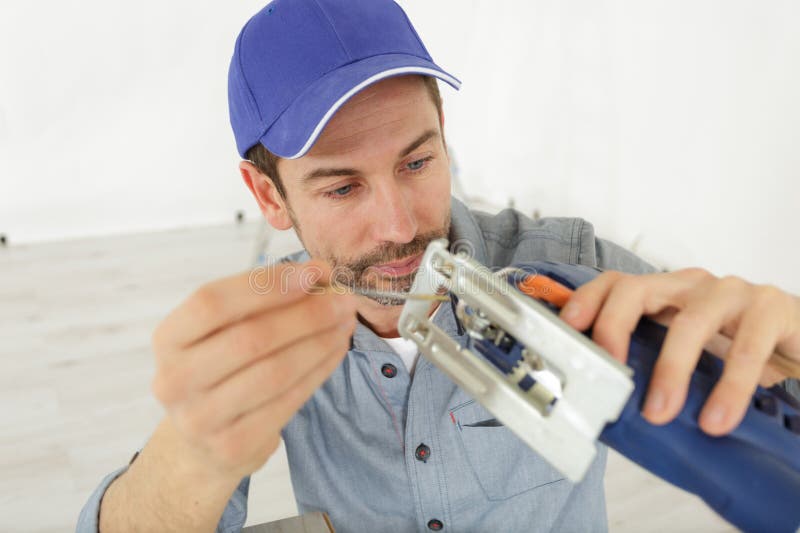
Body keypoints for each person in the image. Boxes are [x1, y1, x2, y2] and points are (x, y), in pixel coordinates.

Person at [78, 1, 800, 531]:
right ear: (269, 195)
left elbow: (757, 385)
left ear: (443, 132)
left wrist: (786, 353)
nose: (401, 228)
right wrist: (188, 456)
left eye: (417, 161)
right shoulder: (268, 330)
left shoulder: (569, 266)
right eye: (342, 187)